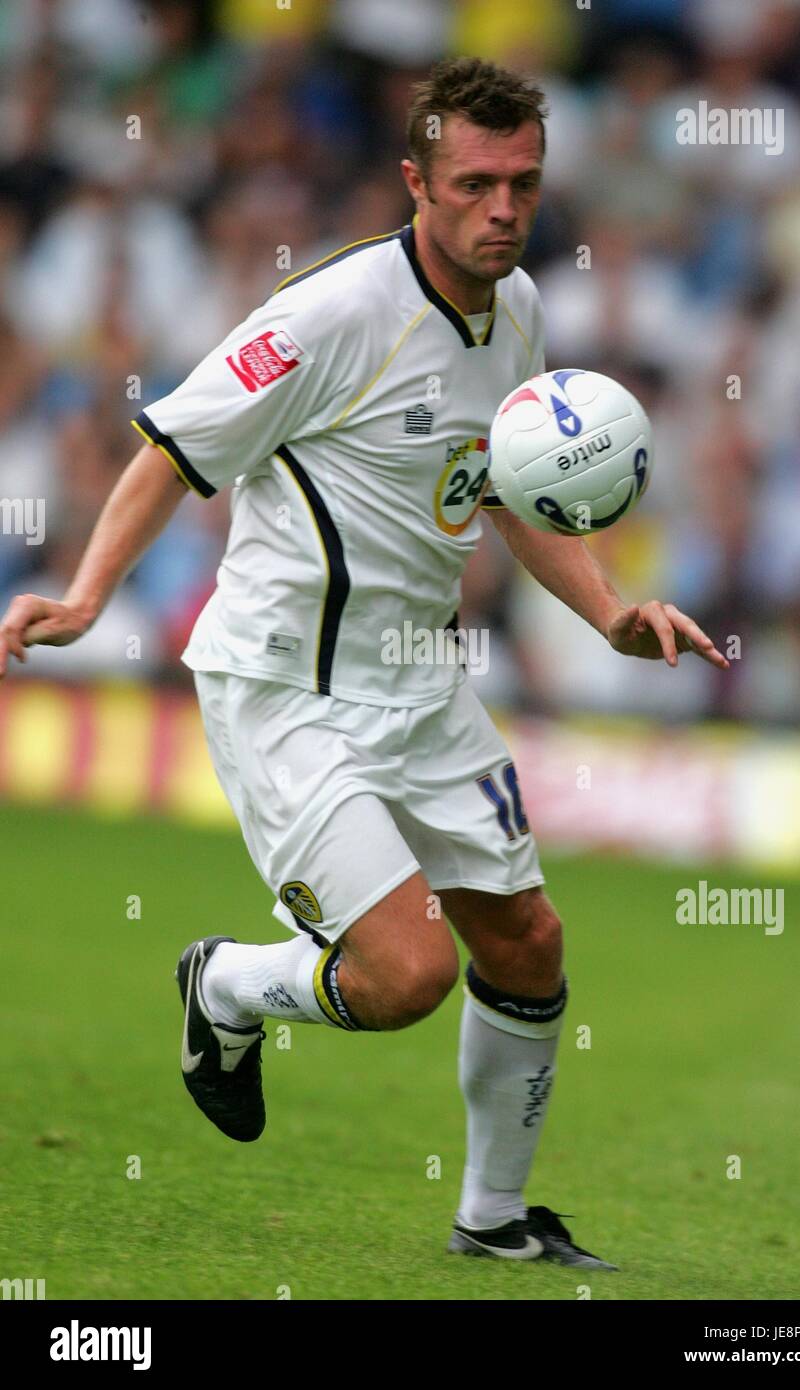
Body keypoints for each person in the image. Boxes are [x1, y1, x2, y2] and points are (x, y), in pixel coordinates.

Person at [0, 57, 727, 1268]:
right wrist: (84, 594)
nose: (502, 209)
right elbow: (174, 450)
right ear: (415, 182)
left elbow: (512, 492)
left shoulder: (525, 312)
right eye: (475, 184)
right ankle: (226, 985)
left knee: (528, 944)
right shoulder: (327, 315)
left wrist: (607, 610)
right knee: (403, 975)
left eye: (524, 185)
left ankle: (492, 1220)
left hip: (421, 682)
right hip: (285, 689)